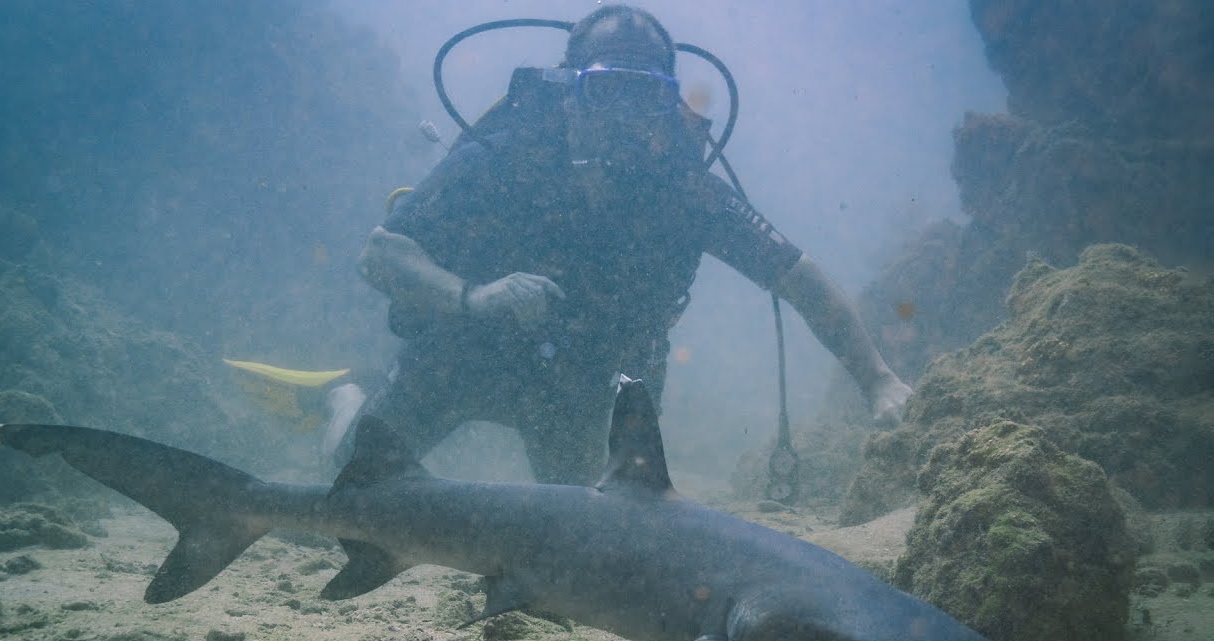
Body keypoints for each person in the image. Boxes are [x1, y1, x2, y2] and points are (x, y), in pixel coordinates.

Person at [333, 5, 912, 487]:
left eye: (645, 97)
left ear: (668, 104)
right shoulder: (505, 159)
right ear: (569, 92)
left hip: (581, 383)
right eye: (606, 91)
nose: (625, 119)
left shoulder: (685, 192)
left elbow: (797, 276)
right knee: (348, 477)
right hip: (464, 351)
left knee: (593, 531)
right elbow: (381, 254)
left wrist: (879, 381)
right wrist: (474, 296)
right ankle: (342, 401)